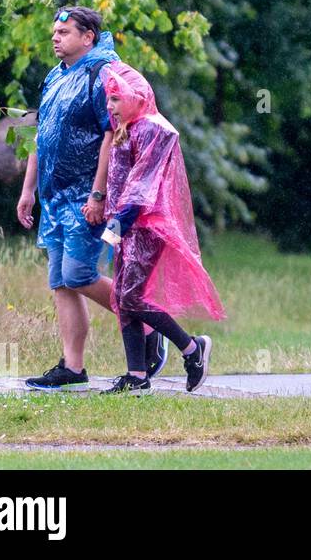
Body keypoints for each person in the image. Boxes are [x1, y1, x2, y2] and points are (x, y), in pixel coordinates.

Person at [18, 6, 166, 391]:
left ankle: (148, 325)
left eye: (64, 31)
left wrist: (99, 194)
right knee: (60, 282)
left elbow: (109, 135)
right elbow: (41, 134)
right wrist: (28, 190)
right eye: (54, 31)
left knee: (78, 274)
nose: (55, 37)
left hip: (86, 196)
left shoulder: (103, 74)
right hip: (52, 197)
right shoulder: (54, 76)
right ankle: (72, 367)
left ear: (88, 37)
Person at [98, 63, 226, 394]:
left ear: (135, 97)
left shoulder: (155, 129)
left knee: (132, 297)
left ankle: (192, 348)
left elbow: (141, 188)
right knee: (122, 298)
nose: (110, 106)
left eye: (115, 99)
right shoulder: (127, 128)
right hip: (126, 226)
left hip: (146, 226)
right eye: (108, 100)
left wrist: (116, 226)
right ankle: (137, 376)